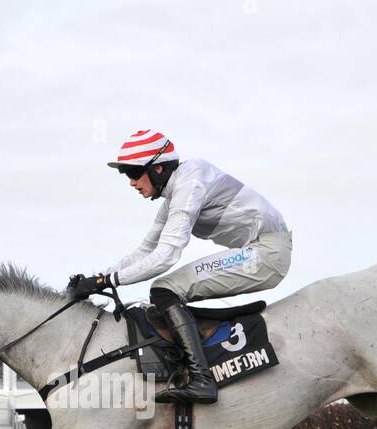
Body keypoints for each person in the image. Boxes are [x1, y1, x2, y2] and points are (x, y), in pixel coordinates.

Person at [66, 130, 291, 405]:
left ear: (159, 168)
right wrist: (99, 278)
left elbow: (166, 256)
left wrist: (109, 281)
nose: (132, 183)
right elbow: (146, 250)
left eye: (134, 173)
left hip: (266, 253)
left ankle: (202, 379)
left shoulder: (190, 180)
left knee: (164, 289)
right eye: (127, 175)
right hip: (257, 249)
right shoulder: (175, 193)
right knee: (164, 292)